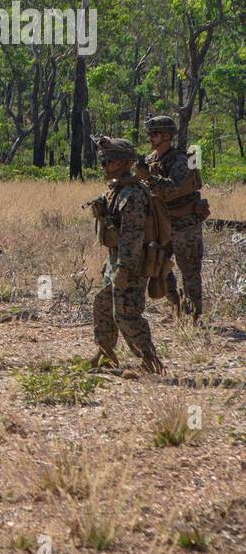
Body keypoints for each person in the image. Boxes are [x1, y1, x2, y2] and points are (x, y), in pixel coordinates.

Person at [89, 136, 164, 377]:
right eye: (103, 160)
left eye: (108, 161)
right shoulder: (116, 190)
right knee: (103, 304)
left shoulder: (131, 195)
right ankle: (106, 353)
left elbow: (132, 236)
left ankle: (149, 361)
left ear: (122, 162)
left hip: (131, 263)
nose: (103, 166)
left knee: (126, 312)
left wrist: (123, 267)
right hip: (117, 260)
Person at [135, 114, 205, 322]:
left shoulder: (180, 160)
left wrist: (148, 177)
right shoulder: (150, 160)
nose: (151, 138)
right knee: (159, 267)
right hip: (161, 224)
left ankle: (193, 316)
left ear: (167, 136)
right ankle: (176, 307)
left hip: (185, 224)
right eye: (149, 134)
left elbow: (172, 189)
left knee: (190, 271)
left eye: (155, 134)